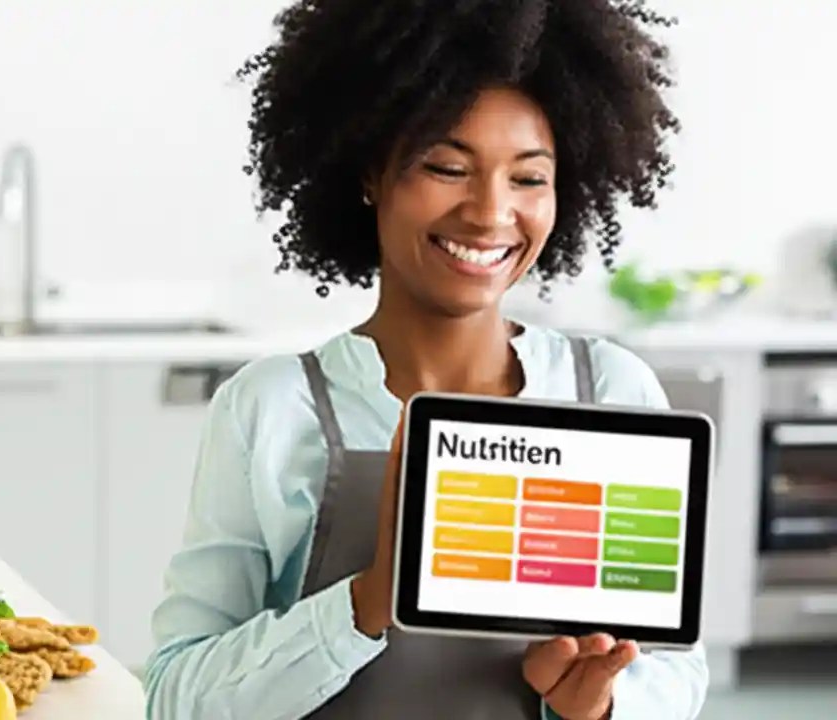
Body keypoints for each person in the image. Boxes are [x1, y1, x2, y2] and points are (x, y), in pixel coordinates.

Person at [143, 1, 709, 718]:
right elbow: (173, 697)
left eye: (528, 178)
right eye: (446, 166)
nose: (489, 212)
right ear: (370, 172)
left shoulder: (611, 391)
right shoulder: (273, 406)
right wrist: (370, 599)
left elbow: (676, 675)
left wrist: (599, 702)